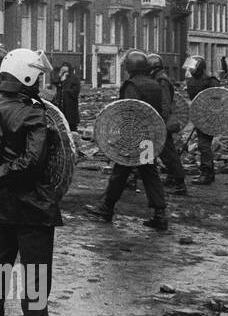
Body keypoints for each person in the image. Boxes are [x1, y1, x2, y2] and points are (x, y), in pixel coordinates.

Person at [0, 48, 69, 316]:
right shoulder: (34, 114)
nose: (40, 82)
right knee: (35, 277)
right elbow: (33, 162)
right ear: (27, 77)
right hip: (33, 208)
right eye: (38, 76)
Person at [84, 50, 169, 231]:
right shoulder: (154, 85)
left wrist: (119, 138)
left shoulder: (131, 85)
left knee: (120, 172)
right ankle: (160, 214)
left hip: (132, 138)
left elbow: (129, 111)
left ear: (130, 67)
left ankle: (106, 207)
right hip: (148, 138)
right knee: (150, 174)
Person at [147, 53, 187, 194]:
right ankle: (171, 178)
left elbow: (164, 103)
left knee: (169, 154)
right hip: (159, 122)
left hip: (162, 123)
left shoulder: (161, 80)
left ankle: (179, 182)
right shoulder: (159, 78)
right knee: (164, 153)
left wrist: (160, 122)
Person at [184, 55, 221, 185]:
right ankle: (208, 173)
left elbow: (218, 100)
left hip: (210, 118)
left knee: (203, 146)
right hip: (199, 117)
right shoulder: (191, 82)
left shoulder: (211, 81)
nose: (191, 69)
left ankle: (207, 173)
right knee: (203, 145)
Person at [52, 61, 80, 131]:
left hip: (69, 104)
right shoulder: (61, 77)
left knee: (70, 123)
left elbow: (75, 91)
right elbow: (54, 82)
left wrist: (66, 90)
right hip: (61, 104)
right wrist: (60, 75)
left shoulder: (74, 78)